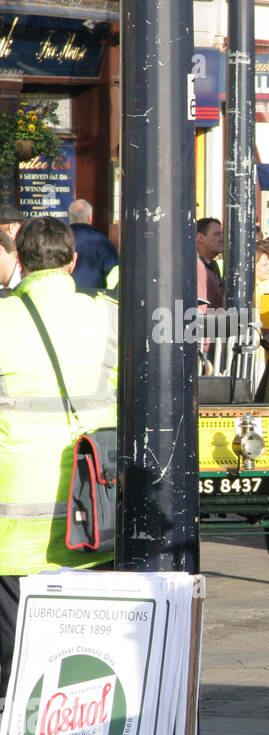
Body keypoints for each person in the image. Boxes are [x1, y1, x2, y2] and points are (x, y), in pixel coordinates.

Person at [0, 217, 118, 695]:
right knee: (82, 660)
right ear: (72, 261)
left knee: (14, 664)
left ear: (20, 261)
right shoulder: (109, 316)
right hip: (92, 513)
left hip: (13, 523)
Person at [67, 199, 118, 290]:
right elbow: (115, 274)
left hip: (62, 297)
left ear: (70, 217)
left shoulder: (59, 240)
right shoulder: (102, 242)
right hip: (94, 298)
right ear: (90, 218)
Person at [196, 217, 224, 311]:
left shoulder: (211, 266)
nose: (222, 239)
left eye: (222, 234)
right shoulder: (195, 266)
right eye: (216, 234)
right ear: (200, 237)